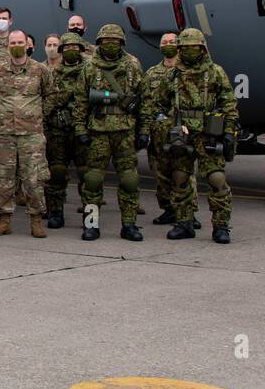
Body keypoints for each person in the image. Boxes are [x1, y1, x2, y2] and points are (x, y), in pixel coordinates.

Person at [148, 28, 236, 243]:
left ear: (202, 48)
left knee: (216, 179)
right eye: (185, 48)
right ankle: (184, 222)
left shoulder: (215, 72)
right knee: (179, 179)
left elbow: (229, 103)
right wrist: (168, 126)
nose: (189, 51)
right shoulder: (173, 75)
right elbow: (157, 105)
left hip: (208, 133)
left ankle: (221, 226)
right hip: (181, 133)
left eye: (193, 47)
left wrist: (229, 131)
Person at [72, 23, 146, 241]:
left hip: (125, 132)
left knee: (129, 180)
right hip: (98, 132)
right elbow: (80, 101)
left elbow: (144, 101)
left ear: (121, 43)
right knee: (93, 180)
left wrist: (143, 131)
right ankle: (91, 224)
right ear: (99, 44)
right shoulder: (89, 67)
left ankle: (130, 224)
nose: (110, 46)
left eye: (115, 42)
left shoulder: (133, 65)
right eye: (106, 42)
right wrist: (80, 129)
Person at [0, 29, 54, 237]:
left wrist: (37, 115)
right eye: (12, 43)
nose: (16, 45)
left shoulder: (40, 70)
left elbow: (51, 96)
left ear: (28, 45)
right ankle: (4, 220)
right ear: (7, 46)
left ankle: (36, 220)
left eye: (19, 42)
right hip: (4, 134)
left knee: (33, 179)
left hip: (31, 135)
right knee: (4, 178)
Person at [44, 32, 90, 229]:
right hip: (58, 130)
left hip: (84, 130)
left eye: (75, 47)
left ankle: (91, 219)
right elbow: (46, 100)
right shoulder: (51, 73)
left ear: (81, 49)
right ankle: (55, 212)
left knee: (90, 177)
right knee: (56, 173)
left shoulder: (91, 71)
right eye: (67, 48)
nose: (71, 51)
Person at [143, 32, 181, 226]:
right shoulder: (152, 73)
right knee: (160, 173)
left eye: (172, 42)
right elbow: (146, 102)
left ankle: (187, 212)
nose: (167, 45)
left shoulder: (187, 71)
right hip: (157, 132)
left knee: (183, 174)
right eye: (164, 42)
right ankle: (168, 210)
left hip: (180, 132)